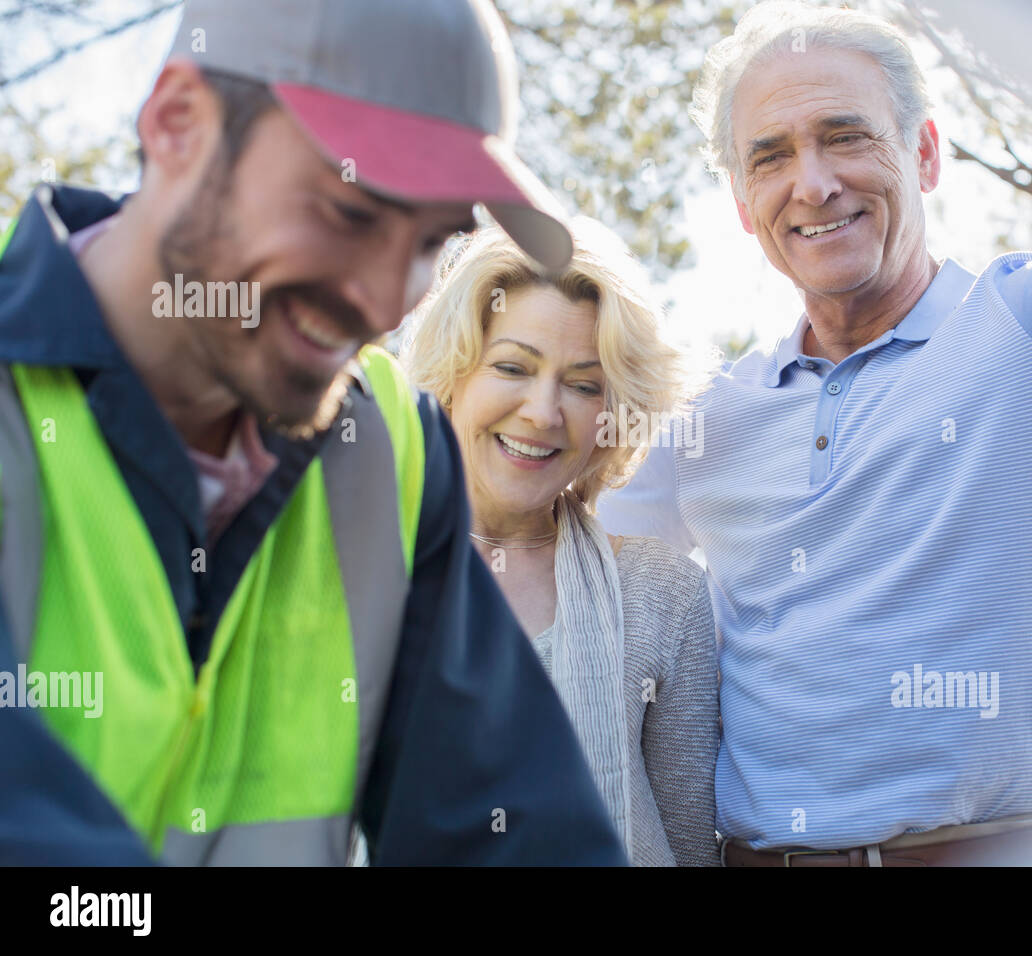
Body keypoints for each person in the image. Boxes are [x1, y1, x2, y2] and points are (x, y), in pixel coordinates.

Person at [598, 0, 1032, 866]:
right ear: (744, 204)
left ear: (926, 153)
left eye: (846, 136)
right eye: (771, 156)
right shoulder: (703, 415)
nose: (813, 183)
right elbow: (542, 555)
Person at [0, 0, 626, 865]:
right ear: (178, 124)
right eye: (352, 212)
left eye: (432, 242)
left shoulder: (395, 447)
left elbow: (514, 831)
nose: (382, 301)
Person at [401, 222, 720, 866]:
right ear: (455, 372)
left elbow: (690, 849)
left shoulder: (662, 593)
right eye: (512, 367)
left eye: (582, 384)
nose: (543, 413)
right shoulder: (345, 564)